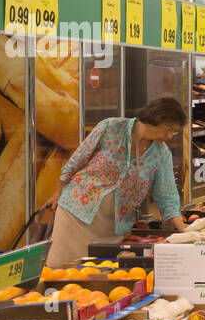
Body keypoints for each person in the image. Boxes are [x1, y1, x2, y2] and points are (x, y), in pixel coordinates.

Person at [43, 98, 189, 268]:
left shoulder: (161, 154)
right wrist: (58, 192)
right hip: (76, 215)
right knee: (61, 270)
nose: (170, 136)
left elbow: (167, 195)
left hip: (113, 227)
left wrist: (183, 228)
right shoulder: (111, 127)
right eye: (170, 129)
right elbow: (76, 160)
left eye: (175, 133)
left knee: (102, 273)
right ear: (158, 118)